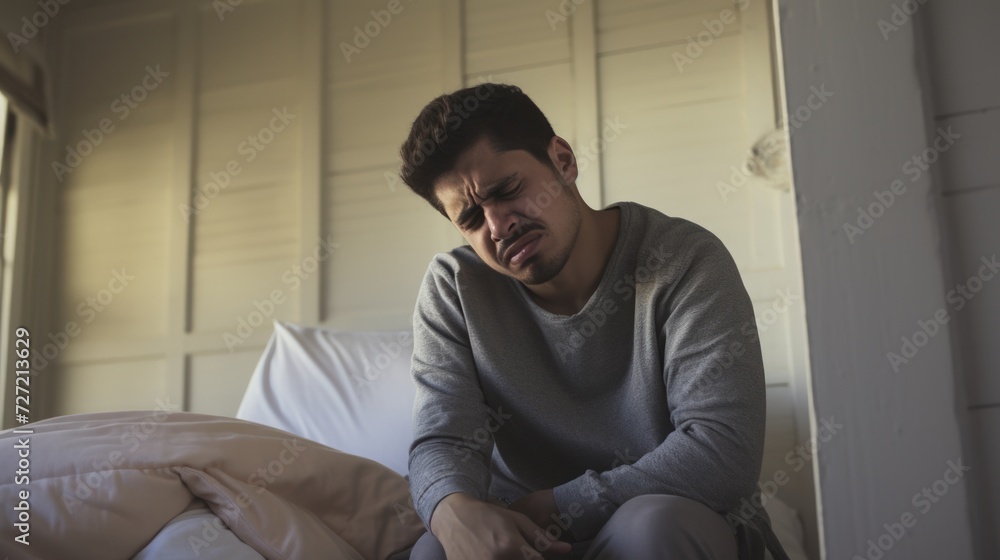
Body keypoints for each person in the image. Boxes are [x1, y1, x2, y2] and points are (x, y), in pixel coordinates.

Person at [398, 83, 780, 560]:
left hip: (674, 520)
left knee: (651, 528)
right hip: (526, 541)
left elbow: (723, 452)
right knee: (435, 550)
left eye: (507, 190)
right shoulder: (454, 288)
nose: (498, 226)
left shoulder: (685, 260)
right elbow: (444, 439)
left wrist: (557, 507)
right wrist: (452, 512)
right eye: (472, 217)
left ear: (562, 160)